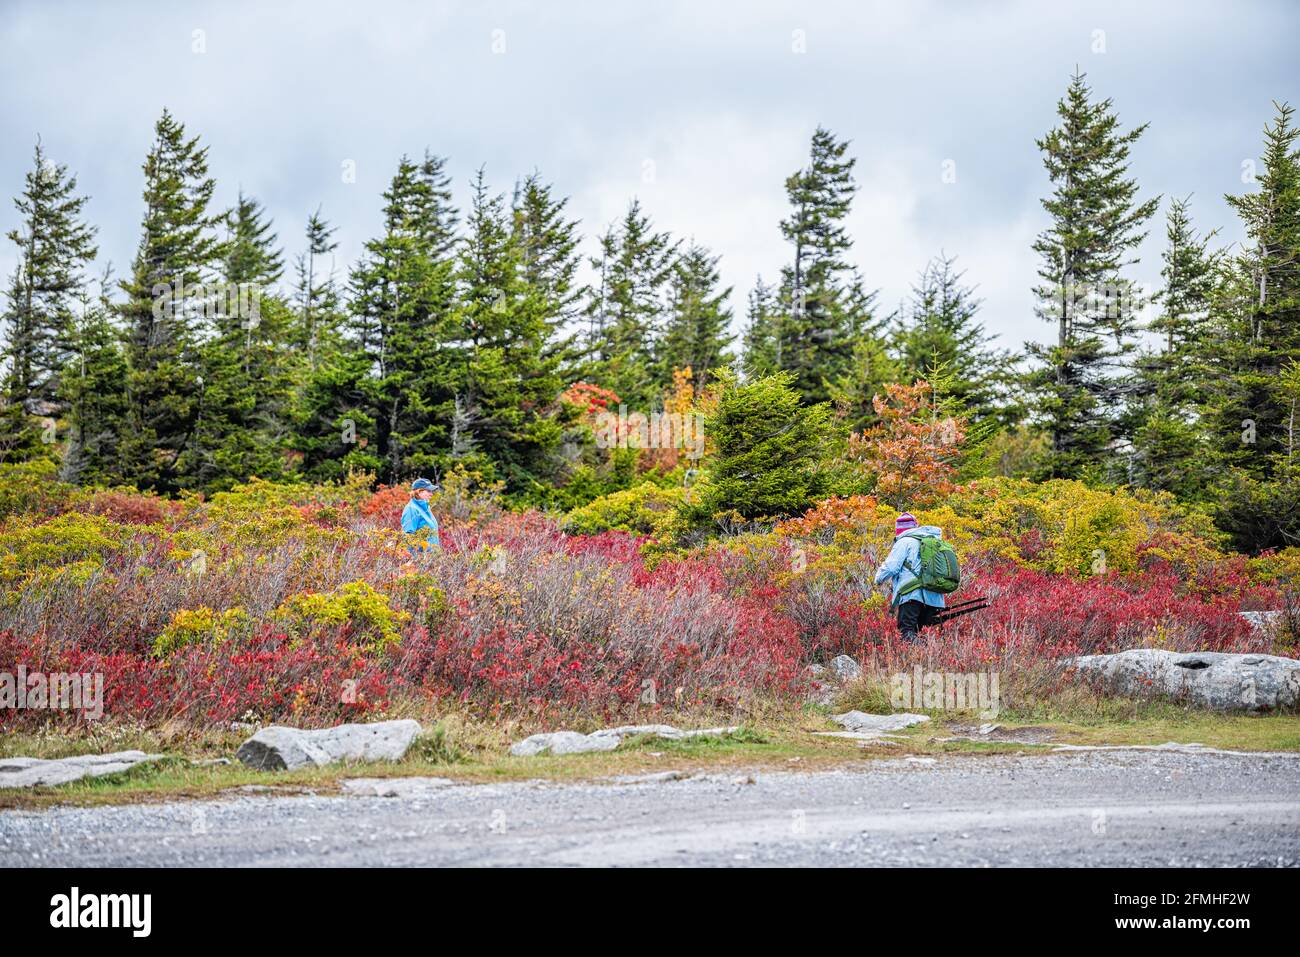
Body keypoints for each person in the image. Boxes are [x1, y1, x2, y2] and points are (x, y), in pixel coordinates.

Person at [873, 512, 946, 643]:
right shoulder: (935, 541)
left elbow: (891, 567)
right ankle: (929, 660)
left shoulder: (904, 541)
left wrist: (878, 579)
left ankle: (916, 660)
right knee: (926, 634)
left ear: (898, 529)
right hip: (935, 597)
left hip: (912, 595)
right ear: (916, 526)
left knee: (907, 633)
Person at [401, 478, 441, 554]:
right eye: (428, 491)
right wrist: (416, 562)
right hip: (421, 561)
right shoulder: (411, 509)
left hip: (431, 560)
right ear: (419, 492)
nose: (431, 494)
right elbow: (408, 538)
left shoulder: (426, 508)